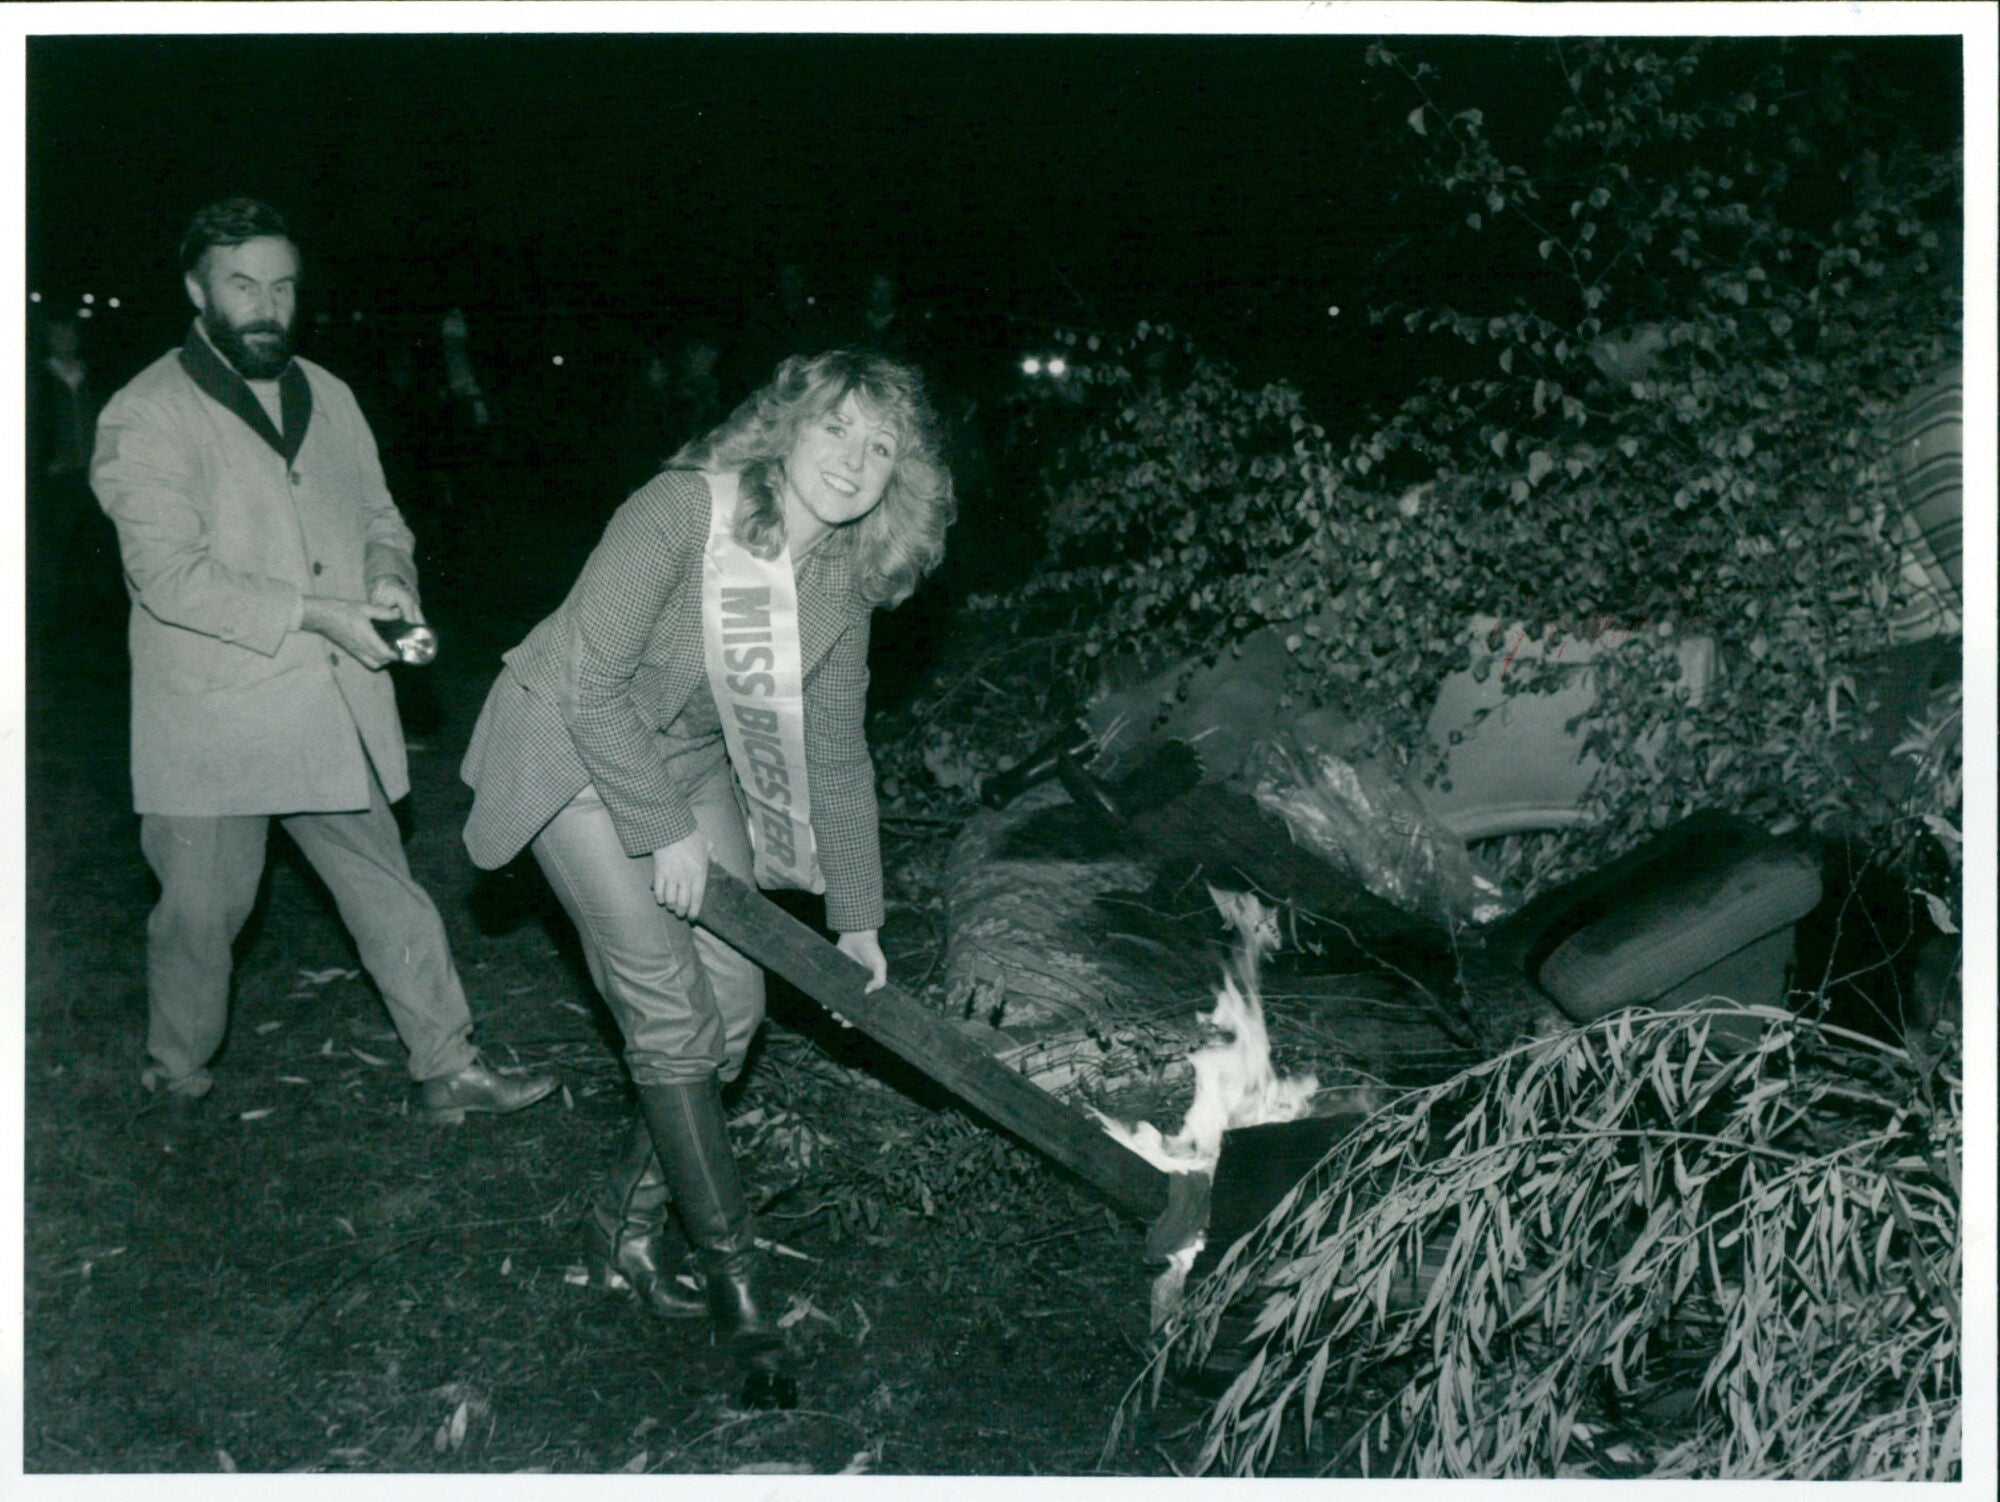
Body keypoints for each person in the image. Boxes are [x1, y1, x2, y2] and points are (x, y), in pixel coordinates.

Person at [460, 349, 955, 1406]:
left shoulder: (842, 577)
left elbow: (836, 751)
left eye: (880, 446)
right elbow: (590, 683)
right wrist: (662, 833)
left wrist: (858, 919)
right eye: (835, 427)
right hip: (571, 747)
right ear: (787, 427)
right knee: (671, 1018)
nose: (853, 459)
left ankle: (623, 1228)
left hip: (684, 760)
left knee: (734, 1011)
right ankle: (739, 1289)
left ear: (899, 478)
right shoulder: (681, 510)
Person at [90, 196, 558, 1125]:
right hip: (215, 713)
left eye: (282, 286)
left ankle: (448, 1066)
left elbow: (381, 515)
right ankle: (175, 1074)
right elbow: (170, 579)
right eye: (242, 285)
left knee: (388, 890)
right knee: (201, 917)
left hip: (330, 705)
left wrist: (387, 576)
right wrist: (320, 613)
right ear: (197, 291)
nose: (266, 306)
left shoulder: (329, 393)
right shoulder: (145, 413)